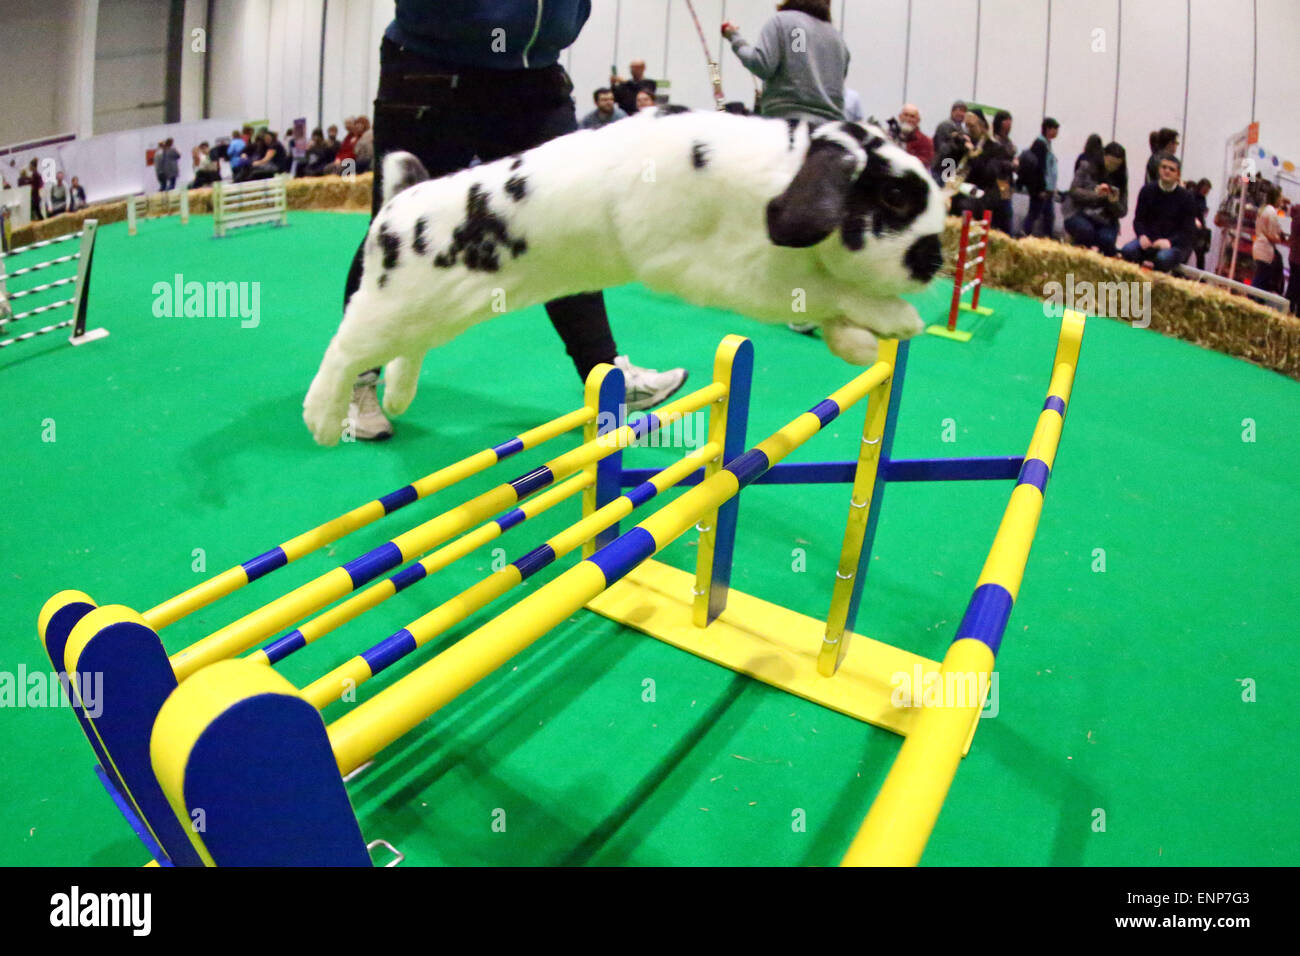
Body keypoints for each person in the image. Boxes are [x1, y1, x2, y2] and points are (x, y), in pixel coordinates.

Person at [337, 0, 688, 441]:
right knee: (399, 229)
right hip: (435, 63)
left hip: (534, 73)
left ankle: (605, 377)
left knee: (565, 220)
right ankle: (355, 376)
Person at [722, 1, 849, 127]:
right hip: (829, 132)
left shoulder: (782, 21)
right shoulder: (837, 39)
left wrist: (734, 37)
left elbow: (761, 65)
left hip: (789, 125)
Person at [1121, 153, 1198, 271]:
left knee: (1162, 258)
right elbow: (1138, 220)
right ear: (1158, 170)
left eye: (1171, 169)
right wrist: (1141, 235)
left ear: (1178, 175)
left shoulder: (1187, 198)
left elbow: (1188, 231)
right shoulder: (1147, 190)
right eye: (1164, 167)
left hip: (1174, 245)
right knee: (1127, 251)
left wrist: (1169, 242)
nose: (1167, 171)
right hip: (1149, 240)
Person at [1062, 141, 1128, 255]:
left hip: (1105, 220)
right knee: (1085, 232)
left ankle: (1101, 271)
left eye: (1116, 165)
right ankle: (1070, 273)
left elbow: (1122, 211)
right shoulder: (1086, 167)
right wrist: (1095, 195)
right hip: (1079, 213)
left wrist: (1114, 202)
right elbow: (1074, 191)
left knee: (1107, 240)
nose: (1112, 168)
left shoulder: (1121, 178)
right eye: (1110, 163)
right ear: (1103, 156)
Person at [1018, 118, 1059, 238]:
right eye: (1054, 129)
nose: (1056, 132)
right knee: (1035, 212)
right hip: (1042, 188)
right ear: (1047, 129)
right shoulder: (1040, 144)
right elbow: (1039, 168)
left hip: (1047, 188)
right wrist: (1040, 188)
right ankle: (1024, 234)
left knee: (1048, 215)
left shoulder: (1046, 144)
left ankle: (1047, 237)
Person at [1250, 182, 1286, 293]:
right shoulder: (1271, 212)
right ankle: (1252, 298)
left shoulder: (1264, 209)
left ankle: (1253, 298)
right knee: (1261, 279)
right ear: (1276, 198)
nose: (1282, 200)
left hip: (1259, 247)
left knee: (1260, 276)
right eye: (1280, 197)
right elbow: (1272, 234)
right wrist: (1280, 239)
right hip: (1265, 249)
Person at [989, 110, 1016, 233]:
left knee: (1006, 212)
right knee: (1001, 211)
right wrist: (1012, 164)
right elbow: (997, 161)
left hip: (1006, 182)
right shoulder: (994, 140)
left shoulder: (1008, 141)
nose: (1009, 124)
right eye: (1006, 121)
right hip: (995, 181)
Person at [1190, 178, 1212, 269]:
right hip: (1192, 226)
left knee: (1200, 253)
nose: (1206, 192)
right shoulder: (1192, 196)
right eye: (1205, 190)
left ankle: (1201, 276)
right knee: (1189, 250)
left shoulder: (1203, 198)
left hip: (1199, 227)